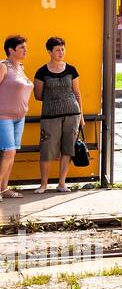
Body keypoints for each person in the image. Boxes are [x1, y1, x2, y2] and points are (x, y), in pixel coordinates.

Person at [33, 37, 82, 194]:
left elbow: (77, 94)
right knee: (47, 149)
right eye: (57, 50)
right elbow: (38, 95)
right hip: (50, 116)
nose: (61, 52)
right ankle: (43, 184)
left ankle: (62, 183)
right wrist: (54, 100)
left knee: (68, 149)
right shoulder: (42, 72)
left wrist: (81, 115)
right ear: (49, 52)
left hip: (72, 114)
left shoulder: (71, 69)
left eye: (63, 49)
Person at [0, 35, 34, 200]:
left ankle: (4, 189)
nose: (25, 50)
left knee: (12, 153)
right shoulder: (3, 66)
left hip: (19, 118)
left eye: (25, 47)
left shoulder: (21, 67)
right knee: (9, 151)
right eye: (21, 47)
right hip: (3, 116)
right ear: (11, 50)